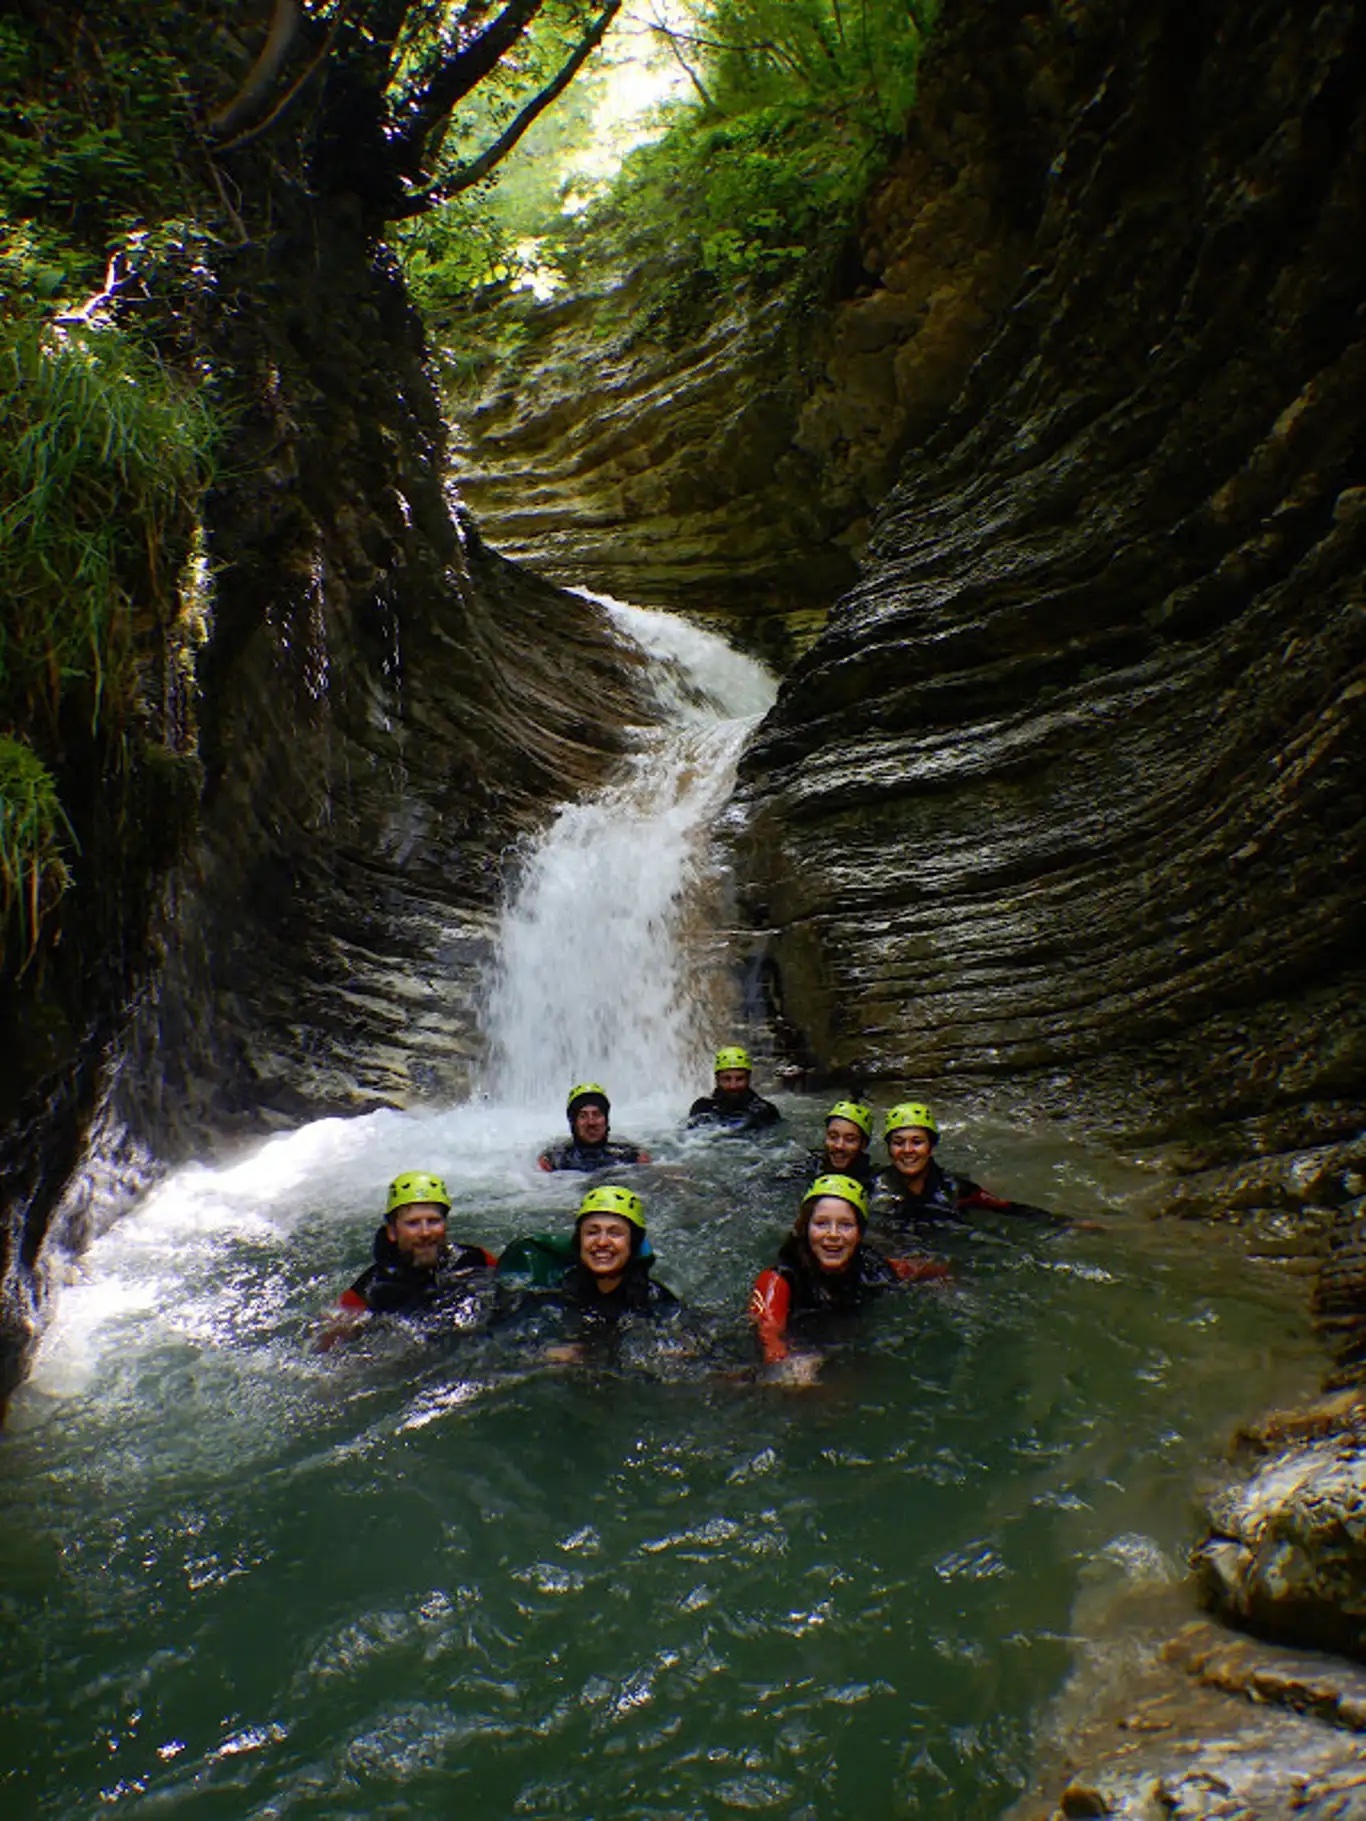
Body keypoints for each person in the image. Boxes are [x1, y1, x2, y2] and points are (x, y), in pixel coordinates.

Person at [749, 1174, 948, 1371]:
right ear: (805, 1229)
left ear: (859, 1234)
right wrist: (791, 1366)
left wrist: (949, 1280)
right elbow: (770, 1338)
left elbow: (920, 1270)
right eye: (821, 1224)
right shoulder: (778, 1280)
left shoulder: (872, 1266)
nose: (833, 1234)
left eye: (845, 1225)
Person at [496, 1186, 685, 1358]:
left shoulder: (655, 1300)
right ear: (579, 1243)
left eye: (615, 1233)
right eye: (592, 1232)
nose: (602, 1242)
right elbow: (504, 1341)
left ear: (633, 1244)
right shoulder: (553, 1290)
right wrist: (543, 1352)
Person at [319, 1171, 495, 1348]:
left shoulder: (475, 1258)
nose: (425, 1232)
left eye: (433, 1221)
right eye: (413, 1223)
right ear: (392, 1232)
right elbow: (326, 1345)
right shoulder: (371, 1290)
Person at [873, 1103, 1072, 1234]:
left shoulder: (956, 1189)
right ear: (890, 1150)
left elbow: (1009, 1208)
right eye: (898, 1143)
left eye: (917, 1142)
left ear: (931, 1148)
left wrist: (1067, 1223)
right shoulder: (873, 1187)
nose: (908, 1150)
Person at [537, 1082, 651, 1173]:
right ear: (573, 1123)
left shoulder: (631, 1155)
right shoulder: (555, 1160)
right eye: (583, 1116)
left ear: (606, 1120)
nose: (591, 1122)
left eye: (597, 1114)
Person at [686, 1045, 782, 1133]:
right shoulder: (702, 1107)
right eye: (727, 1079)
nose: (733, 1085)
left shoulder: (765, 1112)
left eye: (739, 1079)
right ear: (717, 1079)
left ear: (748, 1078)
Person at [804, 1099, 876, 1189]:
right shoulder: (807, 1168)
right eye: (833, 1137)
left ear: (863, 1144)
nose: (839, 1146)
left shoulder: (873, 1181)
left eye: (850, 1139)